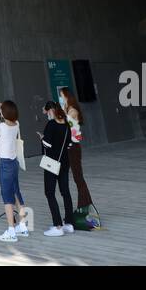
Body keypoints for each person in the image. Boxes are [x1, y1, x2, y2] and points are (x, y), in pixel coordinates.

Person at [58, 87, 99, 230]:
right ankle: (84, 206)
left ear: (68, 97)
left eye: (62, 96)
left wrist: (62, 114)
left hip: (73, 147)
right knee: (77, 178)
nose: (61, 98)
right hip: (71, 146)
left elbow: (69, 129)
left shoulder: (72, 111)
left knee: (78, 177)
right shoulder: (68, 110)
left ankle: (85, 206)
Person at [0, 100, 28, 242]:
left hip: (4, 163)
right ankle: (23, 226)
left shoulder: (0, 127)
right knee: (16, 193)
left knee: (7, 197)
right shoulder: (17, 125)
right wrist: (3, 106)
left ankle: (11, 231)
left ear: (3, 113)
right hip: (13, 162)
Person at [39, 102, 74, 236]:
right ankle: (69, 223)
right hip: (65, 162)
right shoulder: (66, 124)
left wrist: (42, 138)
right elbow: (69, 144)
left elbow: (47, 144)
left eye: (47, 112)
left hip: (52, 163)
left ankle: (58, 225)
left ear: (50, 111)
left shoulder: (51, 124)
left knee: (50, 193)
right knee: (65, 192)